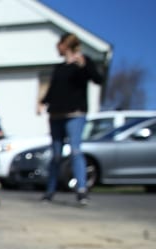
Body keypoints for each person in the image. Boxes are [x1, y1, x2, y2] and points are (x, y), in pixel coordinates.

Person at [39, 32, 103, 205]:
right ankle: (50, 191)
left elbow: (98, 79)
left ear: (65, 45)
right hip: (56, 115)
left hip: (75, 114)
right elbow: (53, 90)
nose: (57, 49)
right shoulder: (59, 68)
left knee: (75, 151)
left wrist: (83, 66)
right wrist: (42, 102)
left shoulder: (83, 62)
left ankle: (81, 190)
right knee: (56, 155)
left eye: (58, 45)